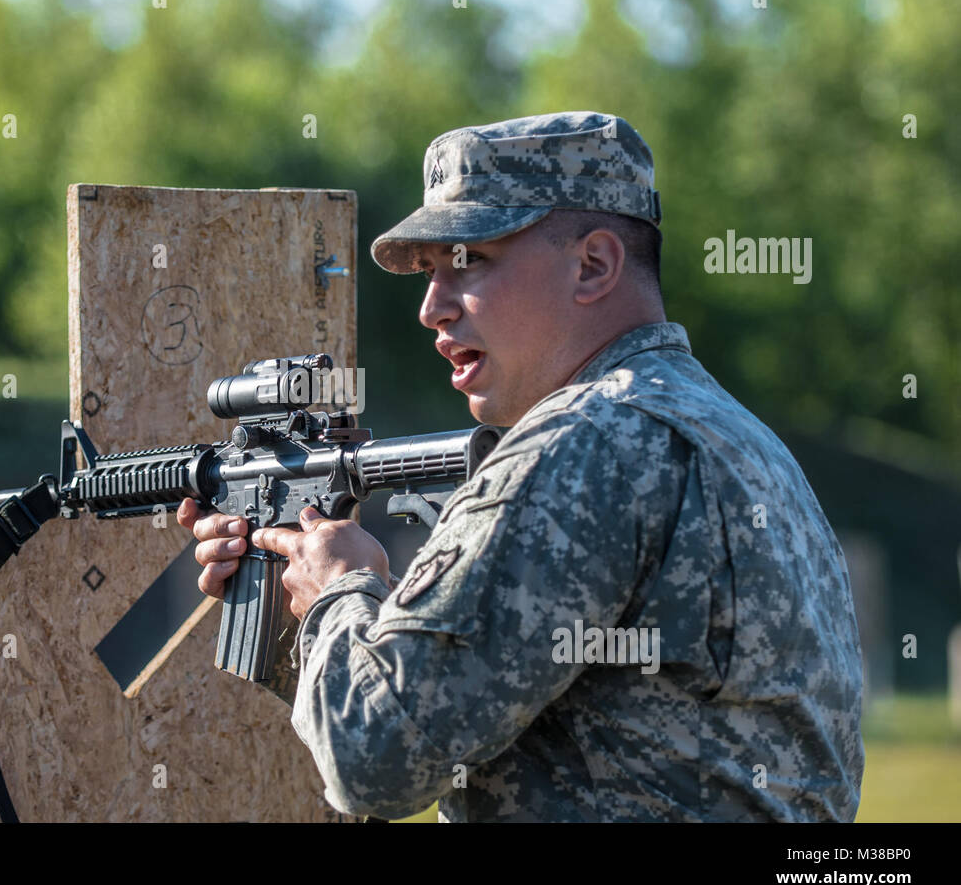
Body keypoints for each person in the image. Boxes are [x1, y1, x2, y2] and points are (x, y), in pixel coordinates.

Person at [177, 112, 865, 822]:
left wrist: (341, 590)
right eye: (428, 271)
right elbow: (477, 713)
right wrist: (298, 603)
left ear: (593, 265)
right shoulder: (738, 437)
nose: (430, 308)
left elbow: (376, 762)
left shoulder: (579, 444)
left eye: (466, 262)